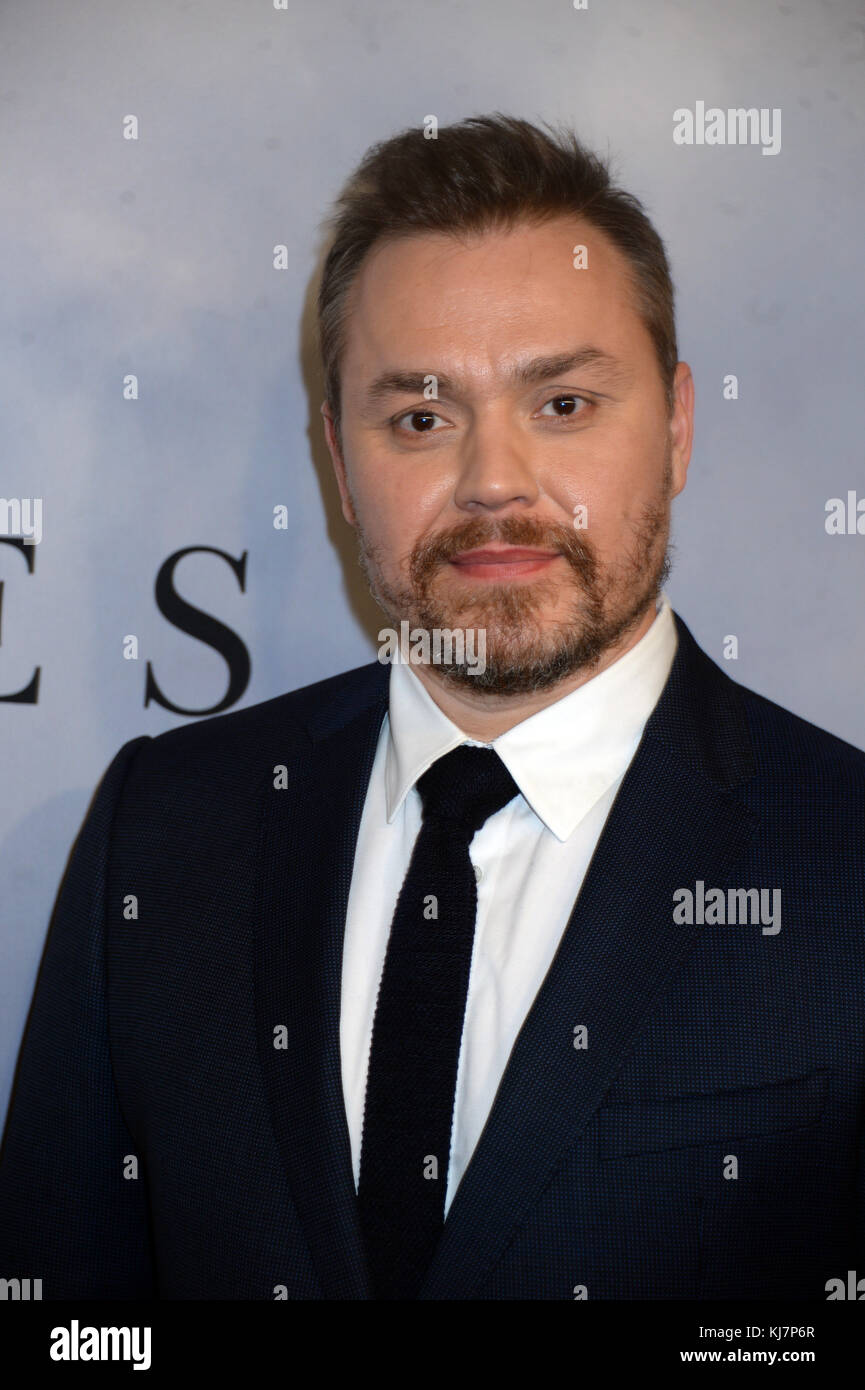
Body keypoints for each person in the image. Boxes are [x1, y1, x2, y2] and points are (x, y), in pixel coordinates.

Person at [1, 114, 863, 1301]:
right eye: (420, 416)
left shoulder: (847, 855)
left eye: (561, 404)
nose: (493, 479)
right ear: (338, 461)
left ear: (674, 427)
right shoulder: (162, 828)